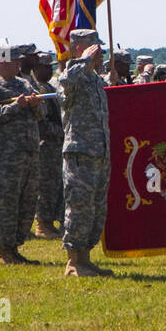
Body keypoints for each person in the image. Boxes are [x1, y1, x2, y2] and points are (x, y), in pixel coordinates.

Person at [0, 41, 45, 264]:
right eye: (14, 61)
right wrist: (16, 107)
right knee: (7, 203)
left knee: (27, 202)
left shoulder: (24, 84)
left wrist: (34, 105)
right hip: (5, 155)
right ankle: (4, 251)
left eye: (18, 60)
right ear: (1, 62)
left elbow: (42, 113)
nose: (18, 64)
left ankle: (15, 246)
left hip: (29, 152)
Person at [58, 30, 116, 277]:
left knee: (95, 209)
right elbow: (66, 85)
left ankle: (86, 258)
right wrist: (82, 61)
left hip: (99, 153)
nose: (100, 53)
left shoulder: (94, 79)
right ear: (80, 48)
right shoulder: (72, 74)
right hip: (79, 152)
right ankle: (73, 262)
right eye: (95, 48)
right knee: (79, 207)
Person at [32, 52, 64, 240]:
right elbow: (41, 123)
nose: (49, 69)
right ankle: (42, 224)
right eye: (45, 66)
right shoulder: (37, 90)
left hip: (55, 145)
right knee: (46, 186)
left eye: (50, 66)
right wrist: (62, 131)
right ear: (36, 68)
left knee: (56, 185)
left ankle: (50, 222)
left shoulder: (49, 87)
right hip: (45, 145)